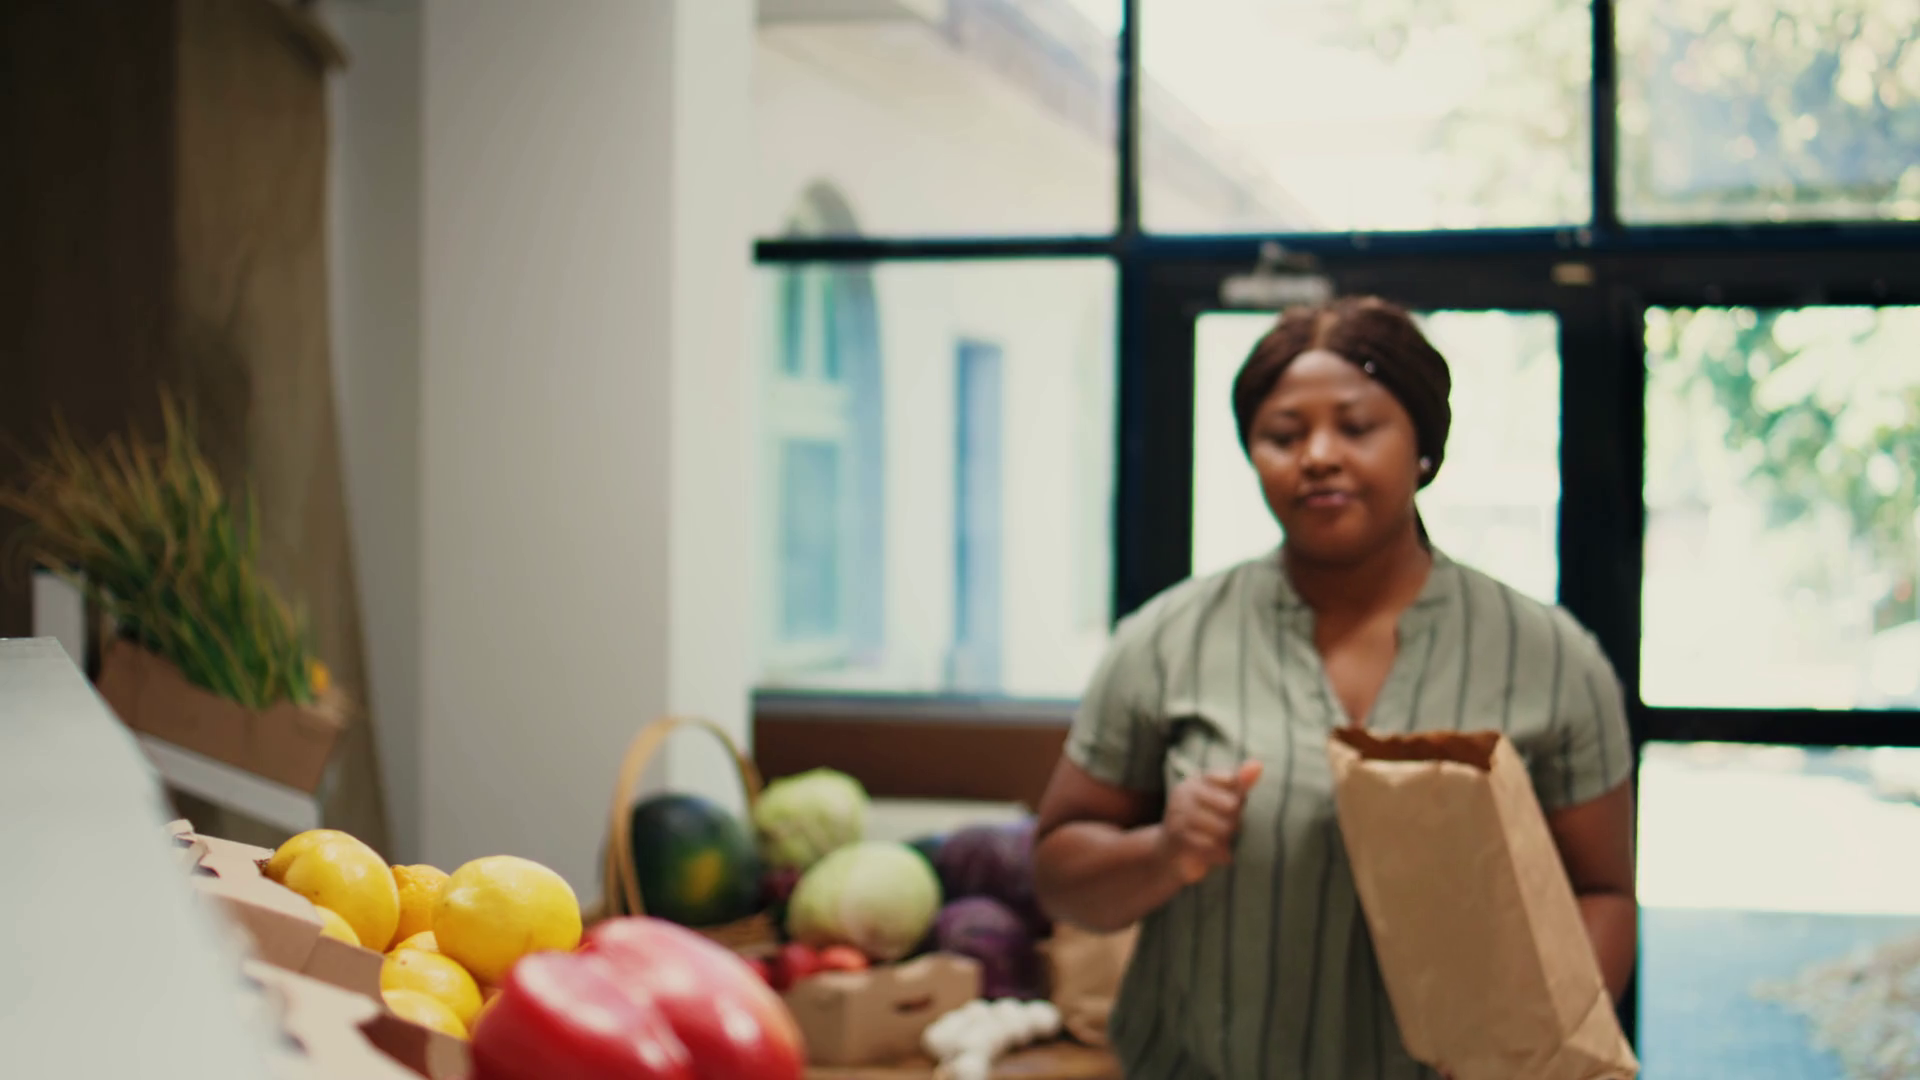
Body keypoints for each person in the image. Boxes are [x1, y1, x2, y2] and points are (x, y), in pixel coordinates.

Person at [1031, 297, 1636, 1080]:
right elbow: (1058, 876)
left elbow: (1602, 892)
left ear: (1424, 444)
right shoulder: (1166, 641)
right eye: (1283, 435)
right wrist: (1163, 851)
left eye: (1356, 427)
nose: (1317, 456)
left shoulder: (1549, 657)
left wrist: (1538, 1055)